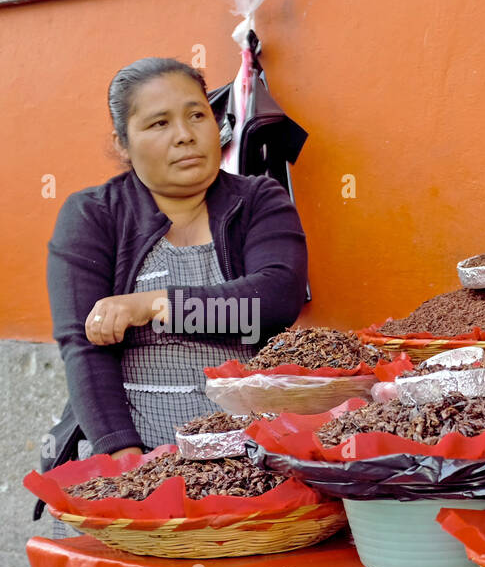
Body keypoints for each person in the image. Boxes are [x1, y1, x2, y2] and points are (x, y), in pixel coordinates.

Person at [44, 57, 308, 487]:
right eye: (159, 124)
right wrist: (127, 462)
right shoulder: (92, 215)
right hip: (133, 450)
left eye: (197, 115)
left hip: (252, 456)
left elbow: (273, 304)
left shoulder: (259, 200)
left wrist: (153, 305)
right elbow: (85, 347)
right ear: (123, 143)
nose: (185, 136)